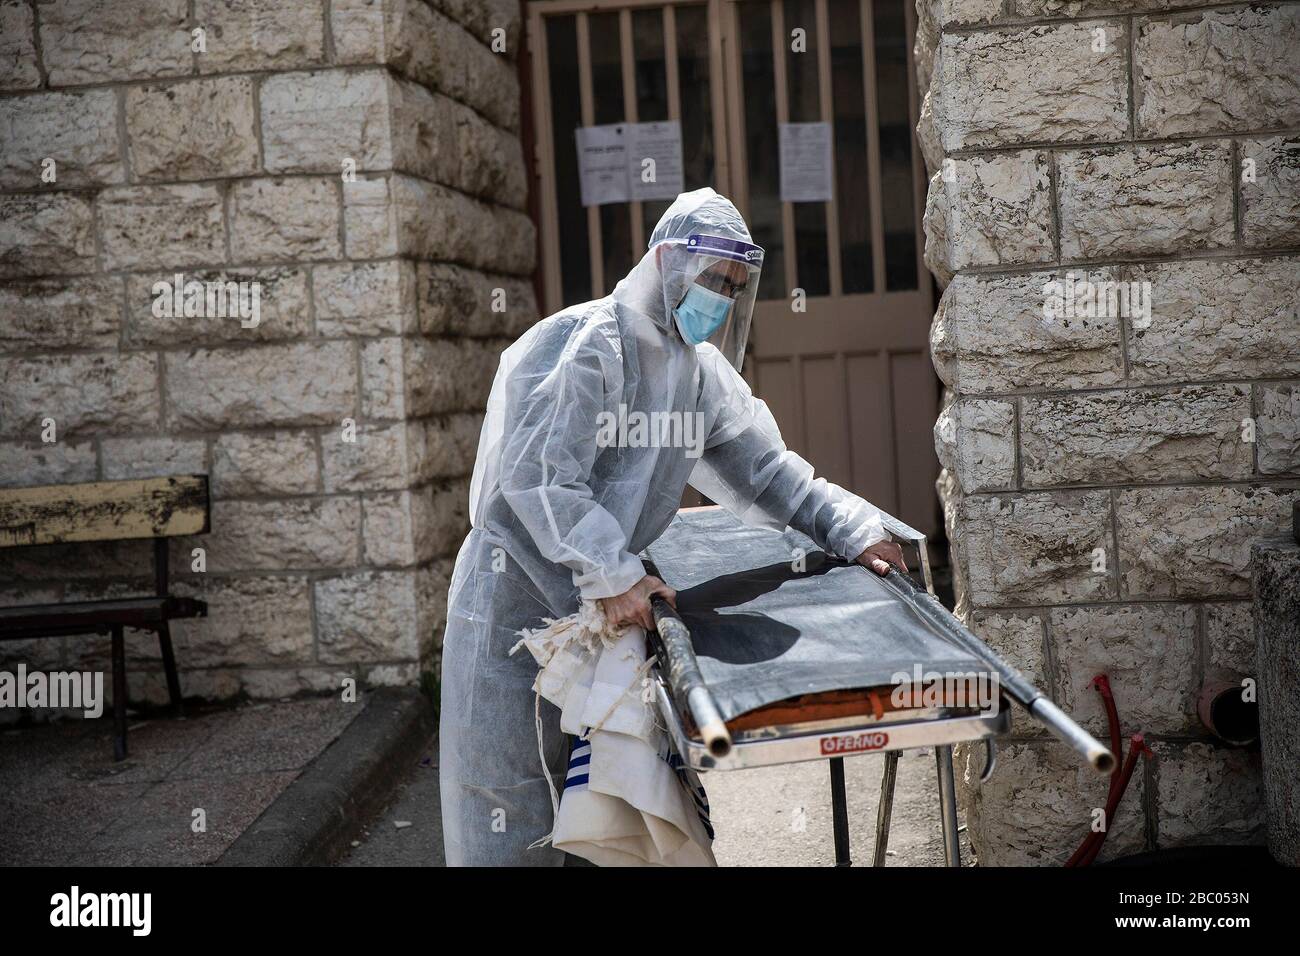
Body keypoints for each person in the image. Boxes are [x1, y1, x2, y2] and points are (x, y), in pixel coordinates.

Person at [438, 187, 906, 866]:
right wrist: (610, 572)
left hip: (600, 618)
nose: (720, 298)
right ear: (666, 261)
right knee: (507, 808)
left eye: (734, 286)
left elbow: (769, 474)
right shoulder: (585, 344)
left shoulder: (696, 375)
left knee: (597, 813)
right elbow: (539, 477)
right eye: (713, 278)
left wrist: (852, 528)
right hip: (512, 611)